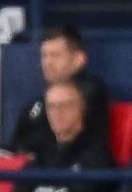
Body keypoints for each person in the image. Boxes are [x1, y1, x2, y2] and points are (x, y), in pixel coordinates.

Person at [8, 79, 116, 192]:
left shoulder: (98, 158)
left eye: (65, 105)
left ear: (81, 109)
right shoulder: (39, 157)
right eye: (51, 106)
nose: (57, 112)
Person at [10, 25, 109, 161]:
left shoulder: (91, 92)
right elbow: (15, 145)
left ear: (79, 59)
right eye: (44, 56)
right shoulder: (34, 104)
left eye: (56, 55)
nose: (47, 63)